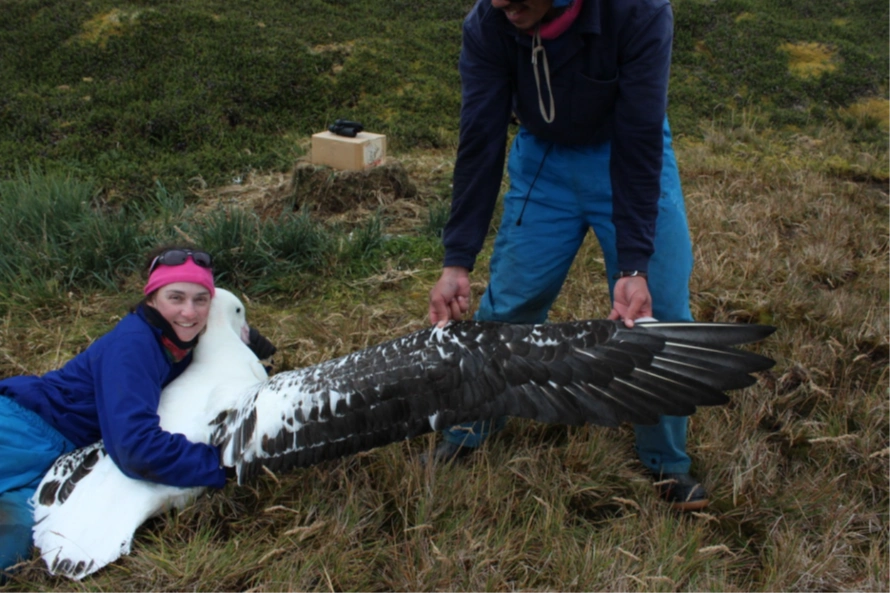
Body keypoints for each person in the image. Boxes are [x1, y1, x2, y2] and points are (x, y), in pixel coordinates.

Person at [427, 0, 708, 510]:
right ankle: (470, 425)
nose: (504, 6)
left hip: (627, 151)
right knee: (510, 304)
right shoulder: (489, 23)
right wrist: (457, 260)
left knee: (656, 313)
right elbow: (481, 136)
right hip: (545, 160)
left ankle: (666, 462)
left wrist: (634, 265)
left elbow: (642, 134)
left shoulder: (640, 12)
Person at [0, 245, 276, 572]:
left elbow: (248, 346)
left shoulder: (179, 342)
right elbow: (135, 447)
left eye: (200, 300)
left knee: (13, 544)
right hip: (19, 426)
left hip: (57, 462)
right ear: (151, 298)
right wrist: (221, 464)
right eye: (176, 297)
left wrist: (263, 357)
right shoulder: (134, 343)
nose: (189, 312)